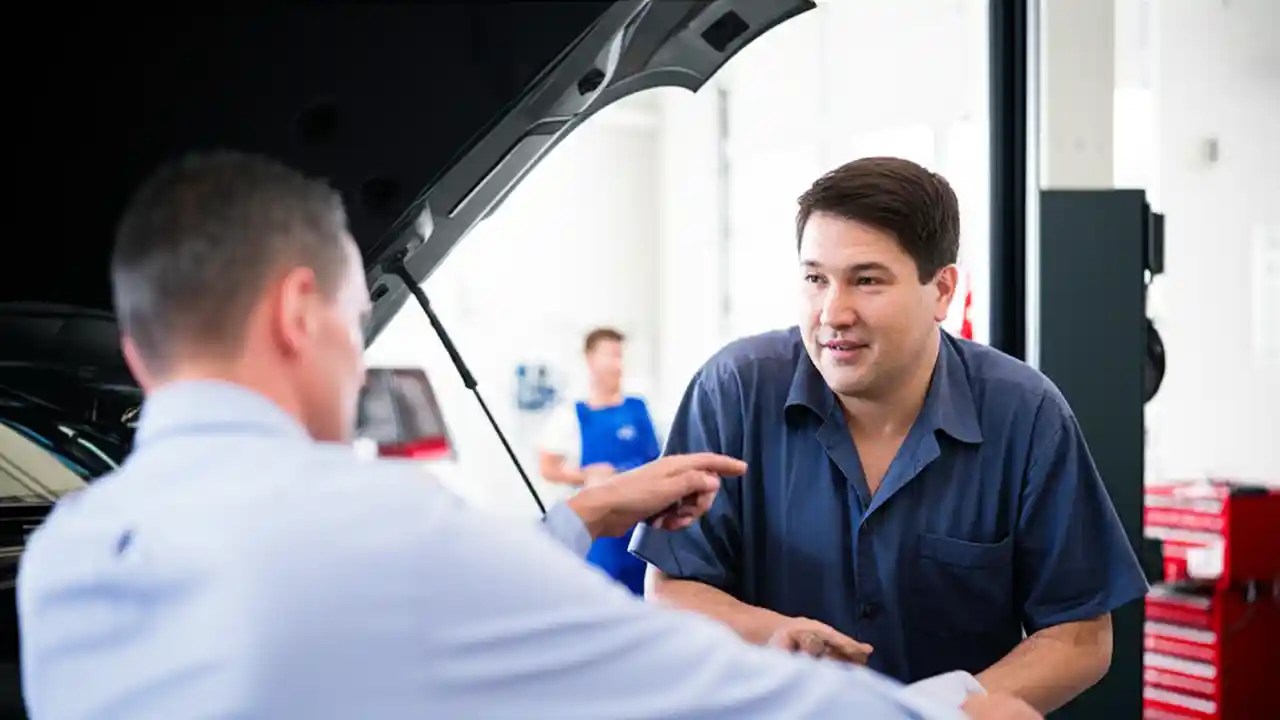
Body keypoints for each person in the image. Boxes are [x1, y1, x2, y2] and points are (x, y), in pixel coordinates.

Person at [14, 150, 1041, 719]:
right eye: (352, 320)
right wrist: (943, 714)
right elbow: (681, 683)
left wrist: (585, 510)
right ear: (295, 315)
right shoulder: (376, 531)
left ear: (140, 354)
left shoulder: (61, 558)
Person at [630, 156, 1150, 715]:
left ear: (943, 290)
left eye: (867, 280)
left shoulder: (1026, 415)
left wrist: (948, 705)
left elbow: (1080, 634)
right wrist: (773, 635)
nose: (833, 312)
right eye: (815, 279)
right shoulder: (733, 391)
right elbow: (672, 589)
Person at [538, 327, 663, 594]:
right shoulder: (570, 415)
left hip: (642, 528)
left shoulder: (639, 407)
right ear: (590, 359)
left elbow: (657, 459)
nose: (616, 363)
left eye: (620, 356)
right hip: (599, 534)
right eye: (609, 355)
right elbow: (547, 467)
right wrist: (586, 475)